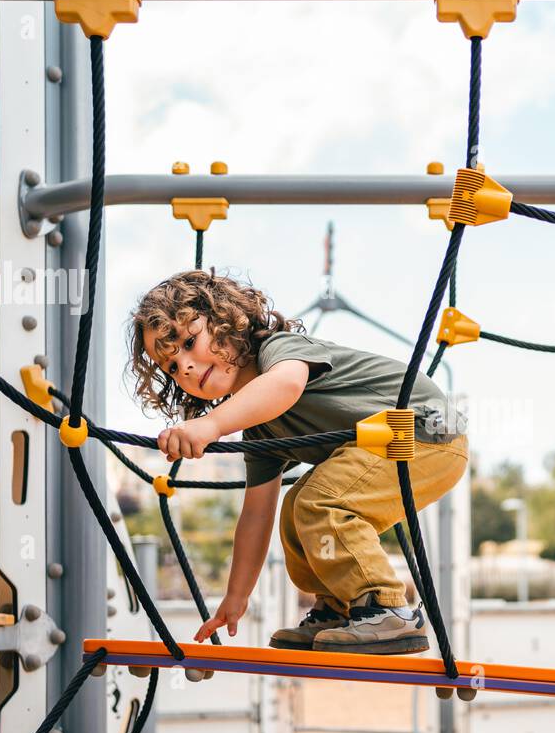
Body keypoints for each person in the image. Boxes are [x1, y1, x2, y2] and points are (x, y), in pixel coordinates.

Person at [127, 270, 468, 654]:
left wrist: (211, 425)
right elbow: (256, 516)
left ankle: (384, 607)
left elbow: (286, 386)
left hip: (423, 433)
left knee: (319, 503)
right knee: (294, 510)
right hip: (389, 449)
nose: (185, 366)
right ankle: (340, 608)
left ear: (227, 319)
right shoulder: (259, 430)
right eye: (171, 366)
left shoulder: (281, 350)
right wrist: (236, 598)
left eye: (190, 341)